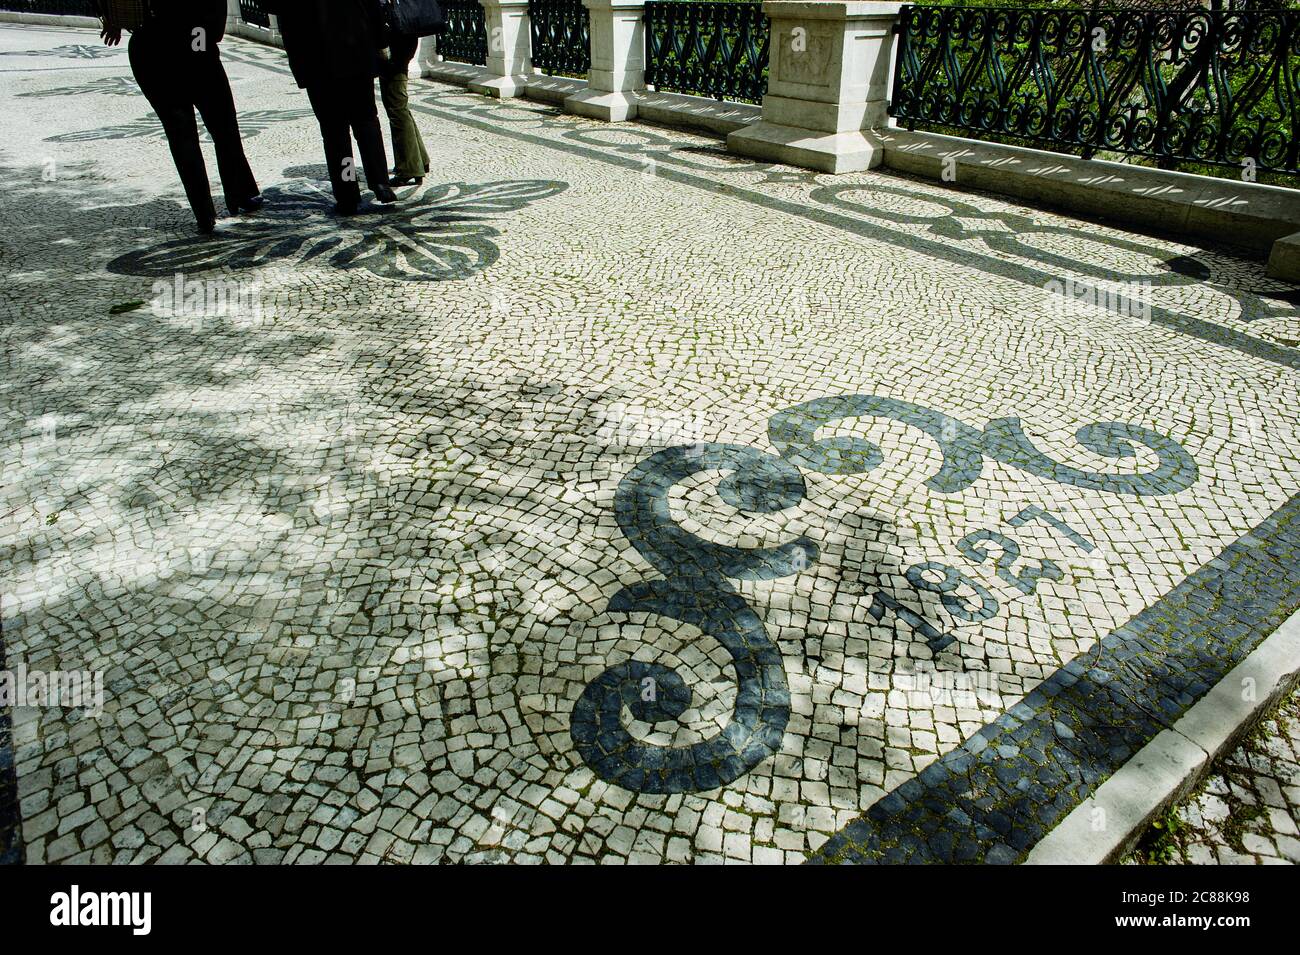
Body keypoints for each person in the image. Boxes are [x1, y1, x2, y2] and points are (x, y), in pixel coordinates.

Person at [99, 0, 263, 234]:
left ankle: (205, 213)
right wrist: (207, 36)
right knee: (222, 124)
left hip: (149, 47)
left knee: (182, 134)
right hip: (193, 42)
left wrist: (111, 19)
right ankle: (239, 193)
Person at [263, 0, 397, 215]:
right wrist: (380, 44)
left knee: (336, 133)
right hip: (356, 54)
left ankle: (348, 193)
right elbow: (373, 7)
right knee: (366, 123)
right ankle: (380, 183)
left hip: (317, 63)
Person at [379, 30, 429, 187]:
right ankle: (419, 159)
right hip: (402, 43)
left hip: (393, 48)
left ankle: (410, 168)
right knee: (399, 106)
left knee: (396, 108)